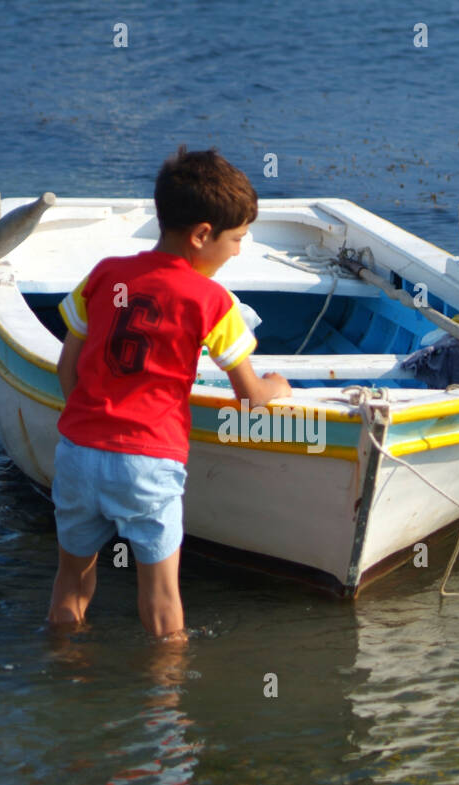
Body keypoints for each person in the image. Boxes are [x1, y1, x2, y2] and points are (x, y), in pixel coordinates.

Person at [46, 147, 291, 641]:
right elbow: (248, 395)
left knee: (71, 578)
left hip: (78, 452)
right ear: (203, 234)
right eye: (238, 239)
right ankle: (163, 708)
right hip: (148, 463)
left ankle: (66, 671)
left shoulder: (105, 275)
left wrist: (88, 422)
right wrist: (276, 387)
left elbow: (66, 367)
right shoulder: (212, 301)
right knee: (161, 597)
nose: (239, 250)